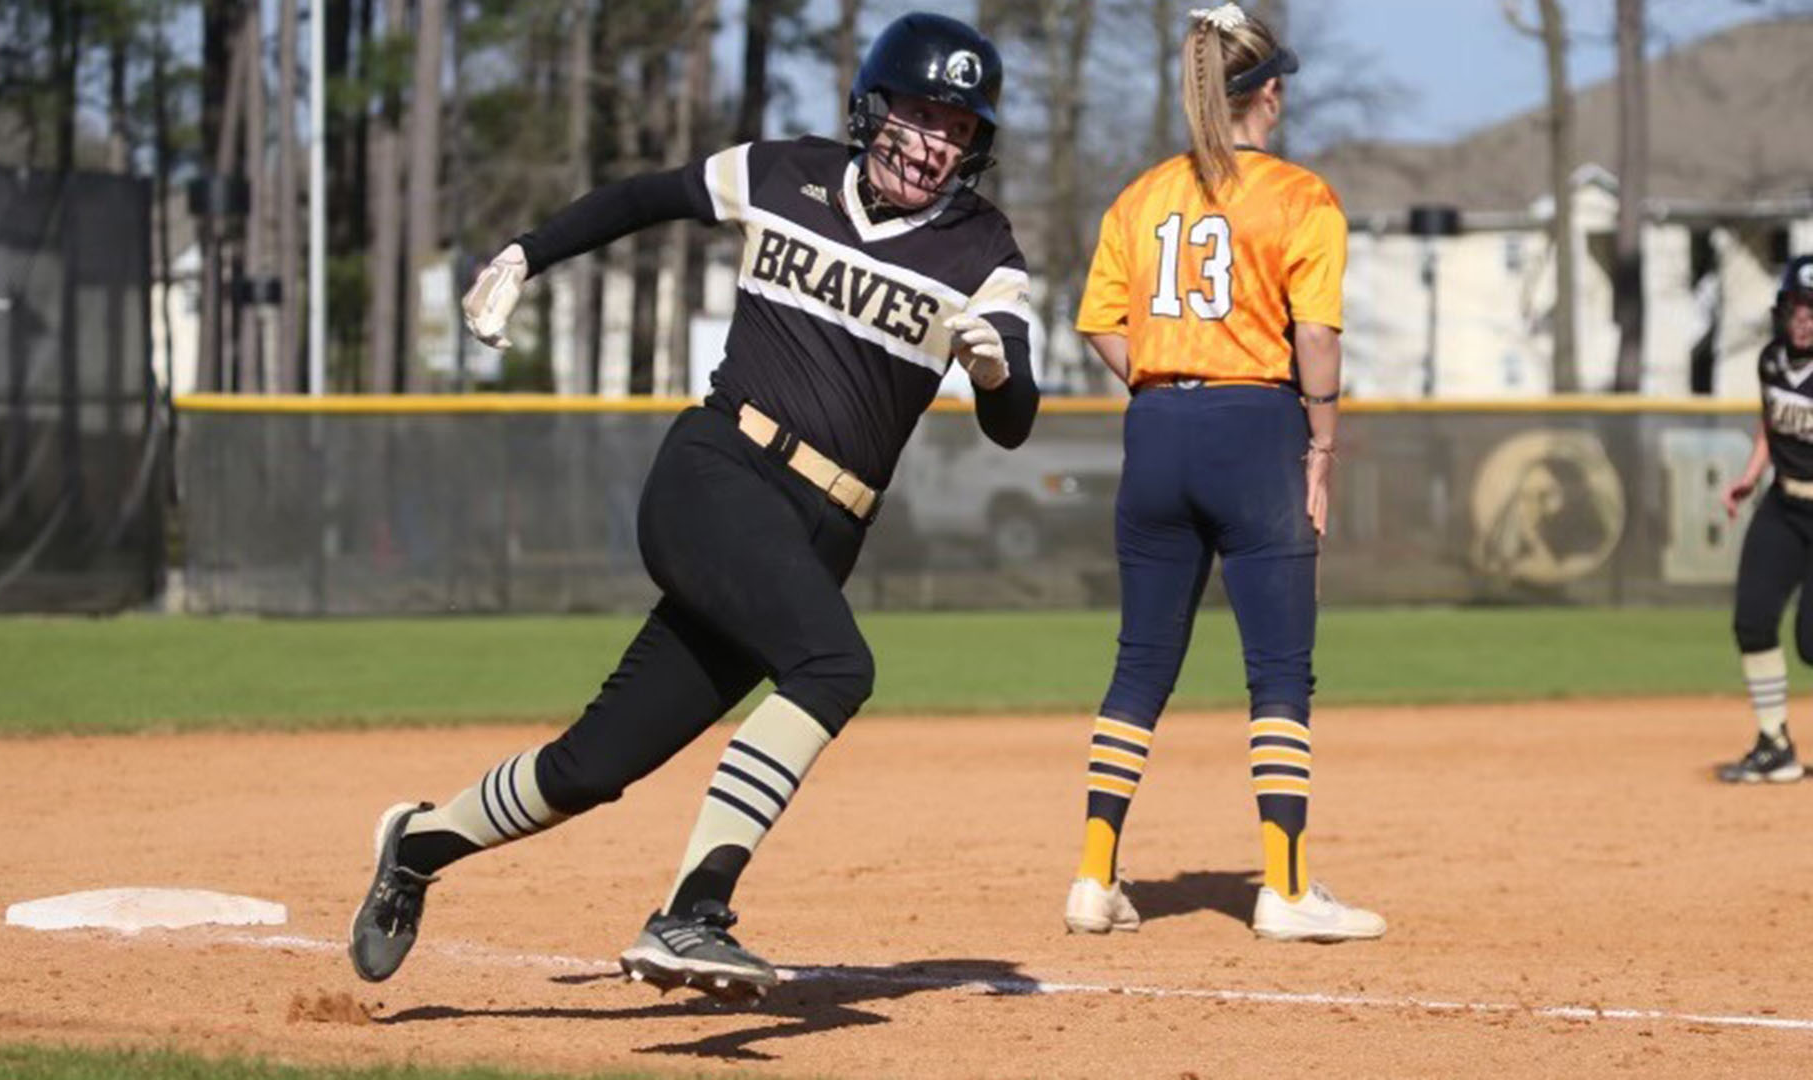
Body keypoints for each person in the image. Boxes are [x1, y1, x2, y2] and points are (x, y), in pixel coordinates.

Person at [347, 12, 1037, 1002]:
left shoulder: (984, 249)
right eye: (922, 116)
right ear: (873, 109)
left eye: (958, 129)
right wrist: (526, 254)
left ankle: (414, 847)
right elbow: (648, 196)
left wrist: (998, 370)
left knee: (590, 767)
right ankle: (693, 911)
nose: (934, 144)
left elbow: (1012, 423)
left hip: (823, 529)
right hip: (719, 473)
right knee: (835, 665)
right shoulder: (783, 173)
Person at [1060, 2, 1384, 943]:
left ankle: (1093, 878)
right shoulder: (1301, 195)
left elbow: (1099, 325)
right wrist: (1319, 445)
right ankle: (1284, 888)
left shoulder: (1142, 193)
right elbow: (1315, 336)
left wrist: (1168, 389)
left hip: (1157, 427)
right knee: (1278, 667)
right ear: (1268, 93)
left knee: (1139, 665)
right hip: (1254, 426)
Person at [1717, 254, 1813, 783]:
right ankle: (1774, 743)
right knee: (1752, 620)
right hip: (1782, 504)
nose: (1805, 318)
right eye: (1798, 306)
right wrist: (1751, 475)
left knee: (1811, 642)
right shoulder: (1773, 361)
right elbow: (1770, 425)